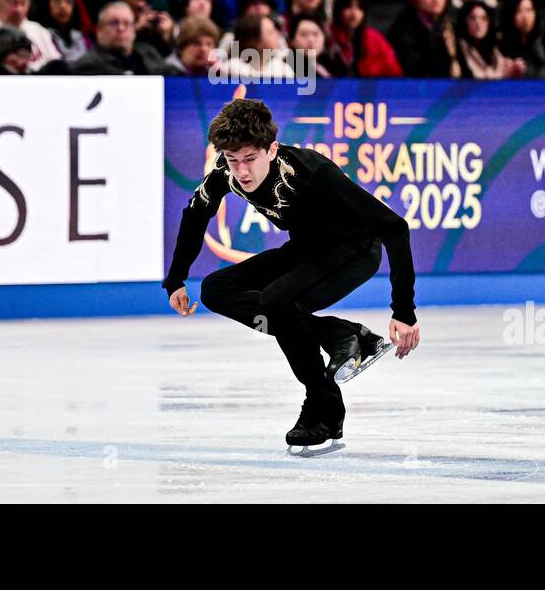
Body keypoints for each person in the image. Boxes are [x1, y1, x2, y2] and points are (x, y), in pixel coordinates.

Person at [164, 97, 420, 448]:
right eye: (232, 160)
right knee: (216, 289)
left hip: (354, 250)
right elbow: (195, 214)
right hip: (306, 249)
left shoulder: (311, 172)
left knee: (278, 302)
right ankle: (341, 334)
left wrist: (404, 311)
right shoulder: (227, 171)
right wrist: (175, 279)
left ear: (271, 150)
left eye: (250, 159)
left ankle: (324, 408)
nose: (242, 171)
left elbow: (395, 227)